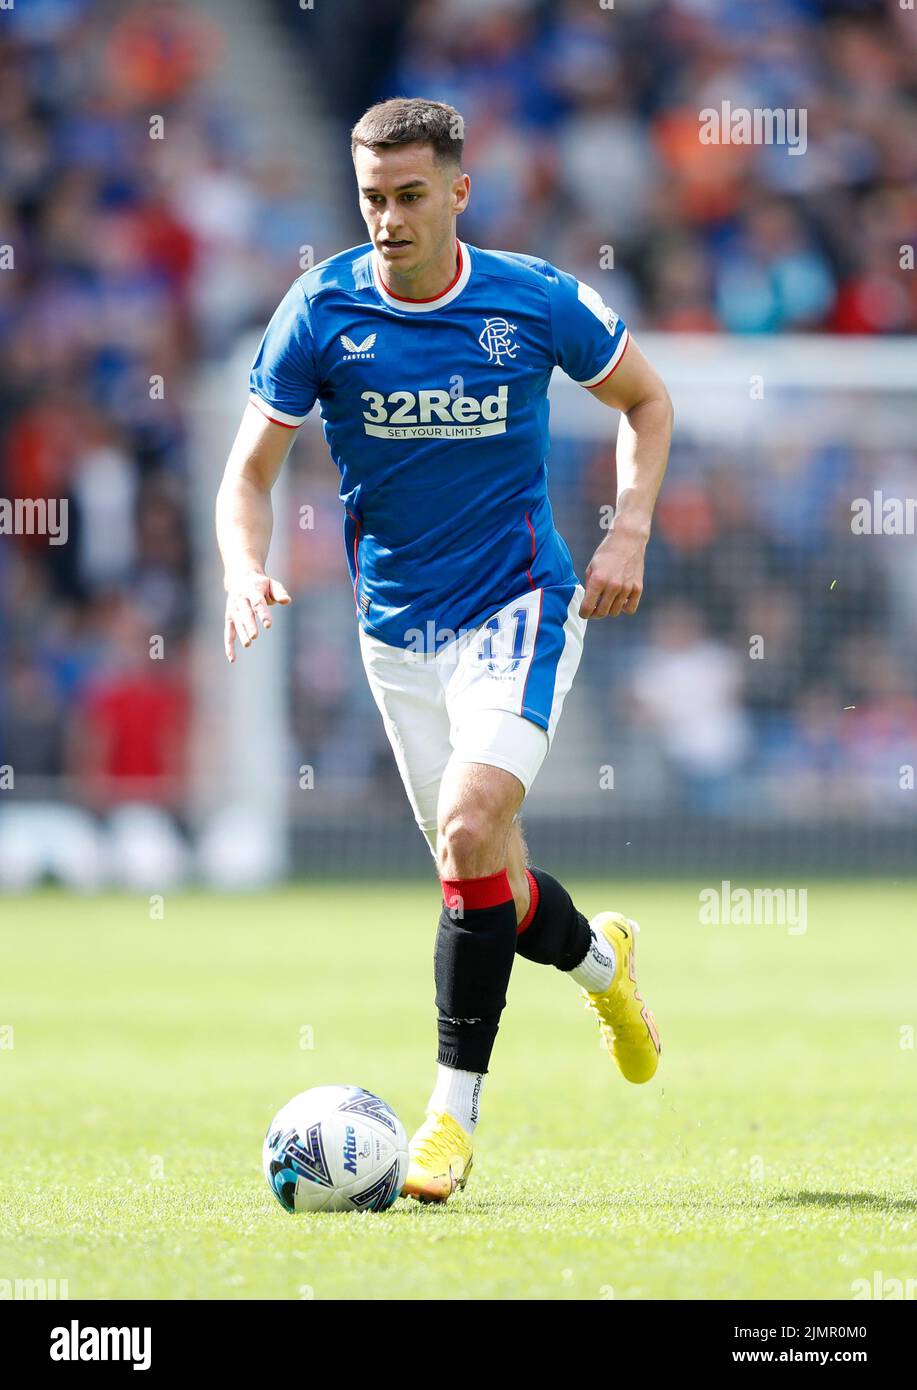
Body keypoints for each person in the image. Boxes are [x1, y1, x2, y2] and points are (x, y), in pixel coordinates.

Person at [216, 97, 673, 1204]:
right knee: (482, 877)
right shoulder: (319, 311)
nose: (386, 218)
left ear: (457, 192)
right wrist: (243, 568)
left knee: (471, 829)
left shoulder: (530, 299)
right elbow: (247, 476)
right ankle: (602, 965)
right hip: (396, 635)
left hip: (518, 607)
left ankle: (445, 1125)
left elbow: (646, 401)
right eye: (370, 197)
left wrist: (628, 526)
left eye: (409, 195)